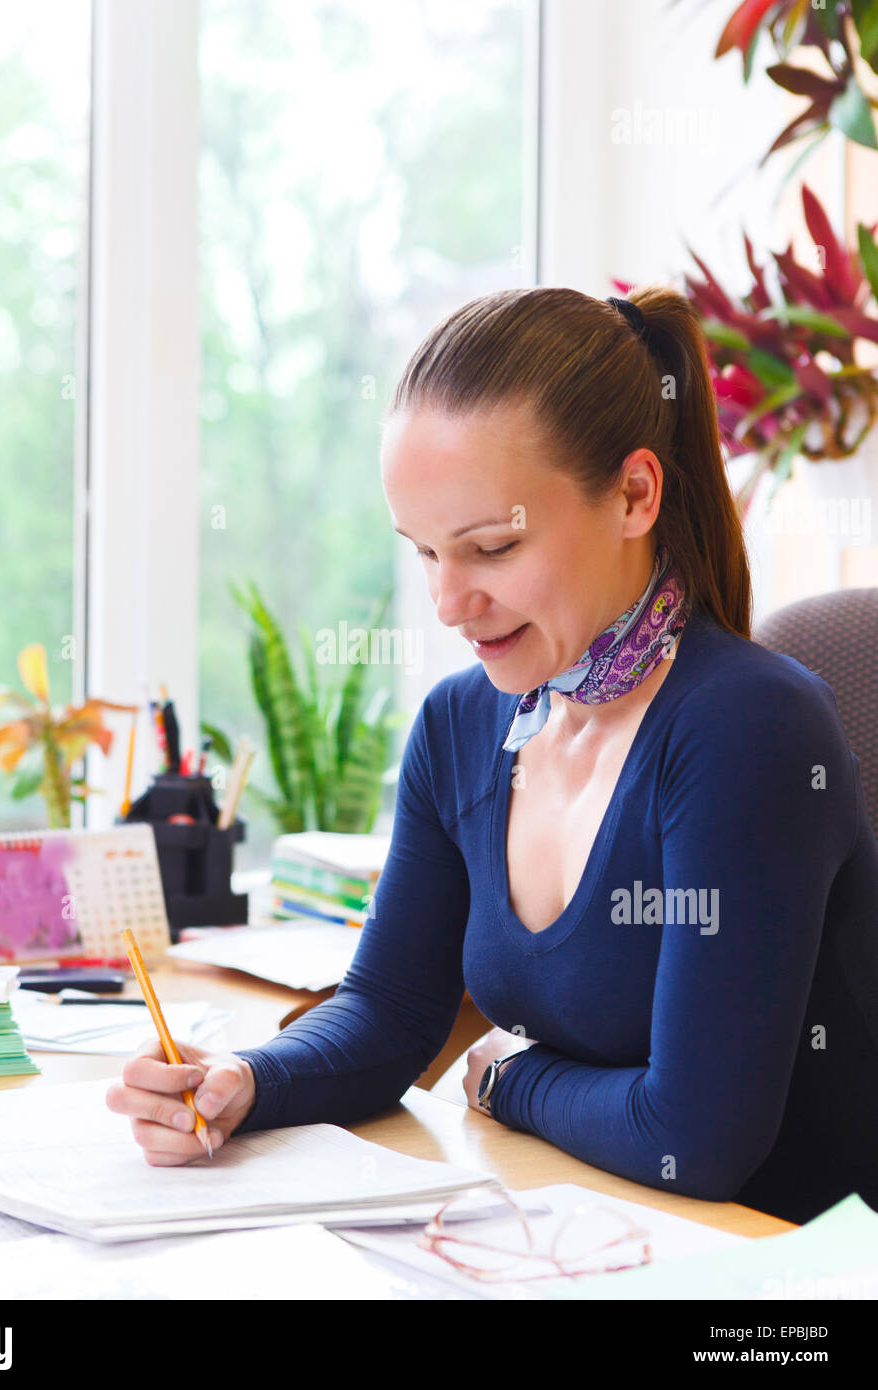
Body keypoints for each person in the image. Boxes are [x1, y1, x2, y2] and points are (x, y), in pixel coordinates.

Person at [106, 285, 878, 1225]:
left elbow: (694, 1139)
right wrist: (241, 1083)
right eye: (425, 552)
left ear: (635, 494)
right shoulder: (462, 725)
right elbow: (389, 1014)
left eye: (492, 547)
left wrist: (507, 1076)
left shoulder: (747, 729)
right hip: (590, 1231)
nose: (447, 601)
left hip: (773, 1276)